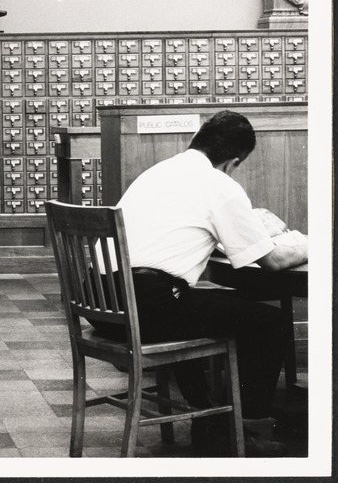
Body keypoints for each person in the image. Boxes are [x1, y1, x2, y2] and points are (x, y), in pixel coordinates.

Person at [90, 110, 308, 457]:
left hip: (102, 304)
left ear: (197, 140)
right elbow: (273, 261)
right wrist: (311, 245)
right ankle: (245, 427)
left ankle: (209, 418)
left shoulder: (157, 172)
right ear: (233, 162)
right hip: (145, 306)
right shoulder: (220, 185)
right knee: (270, 323)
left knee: (191, 303)